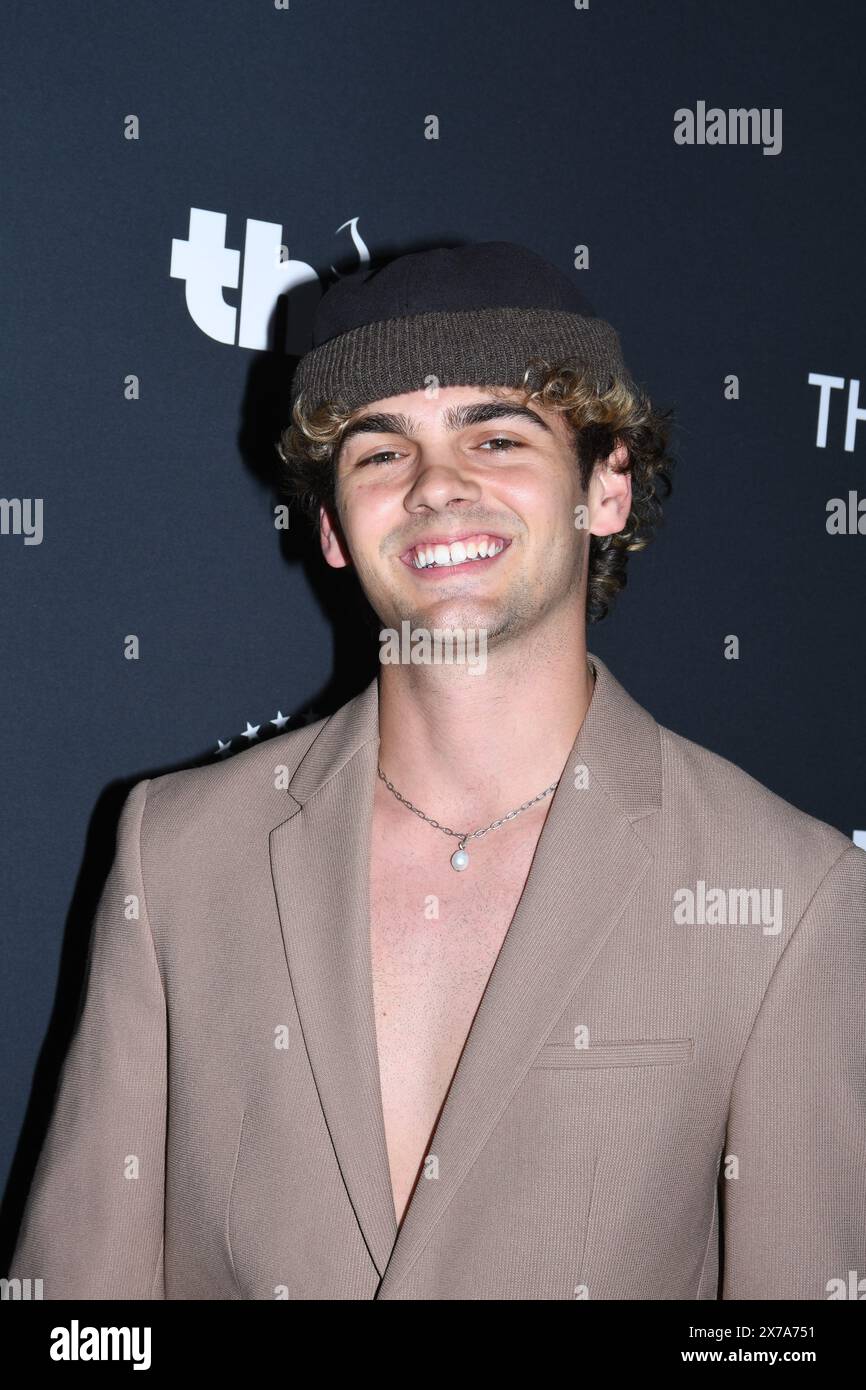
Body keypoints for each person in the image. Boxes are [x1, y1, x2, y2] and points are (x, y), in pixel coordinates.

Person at [9, 241, 865, 1300]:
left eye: (496, 437)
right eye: (379, 454)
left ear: (604, 489)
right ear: (330, 527)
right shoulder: (176, 854)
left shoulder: (783, 892)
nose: (436, 487)